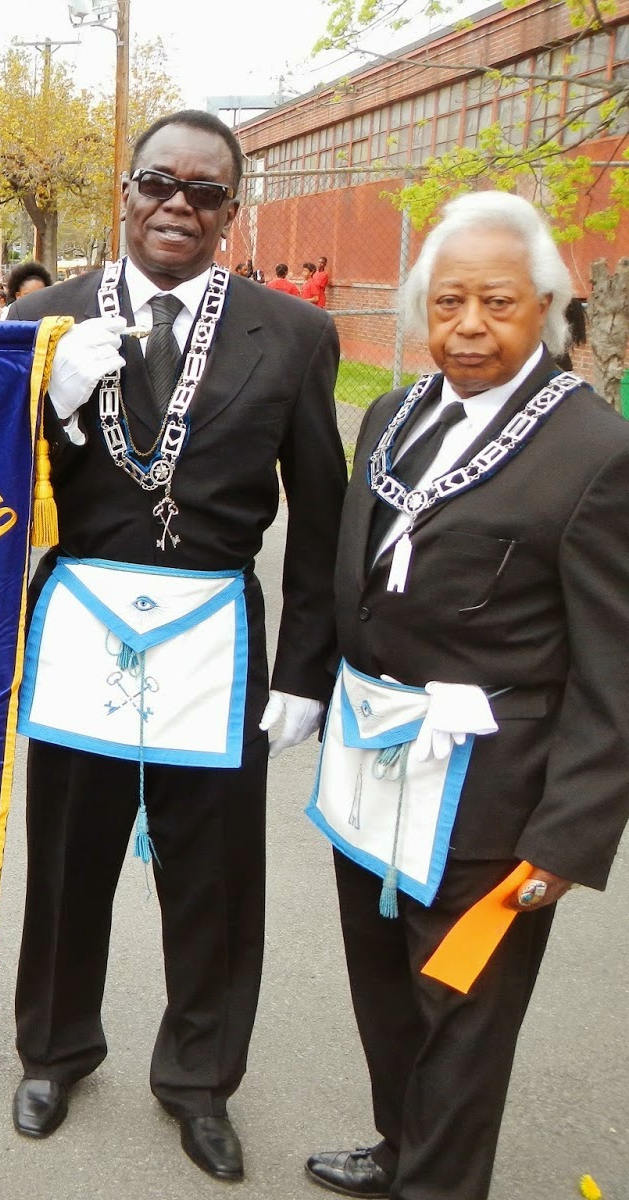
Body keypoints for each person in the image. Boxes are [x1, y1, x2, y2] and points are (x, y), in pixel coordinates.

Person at [7, 109, 346, 1182]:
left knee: (212, 876)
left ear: (229, 213)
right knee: (68, 859)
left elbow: (323, 516)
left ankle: (198, 1077)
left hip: (213, 632)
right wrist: (47, 410)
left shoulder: (289, 333)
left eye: (205, 192)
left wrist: (304, 671)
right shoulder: (47, 321)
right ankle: (54, 1051)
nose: (177, 206)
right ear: (125, 192)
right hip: (80, 625)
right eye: (160, 183)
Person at [303, 192, 629, 1200]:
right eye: (446, 304)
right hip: (375, 759)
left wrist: (566, 835)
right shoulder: (394, 415)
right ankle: (402, 1147)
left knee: (463, 1009)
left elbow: (614, 667)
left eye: (496, 302)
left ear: (546, 307)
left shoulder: (593, 452)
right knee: (385, 989)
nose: (468, 327)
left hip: (491, 791)